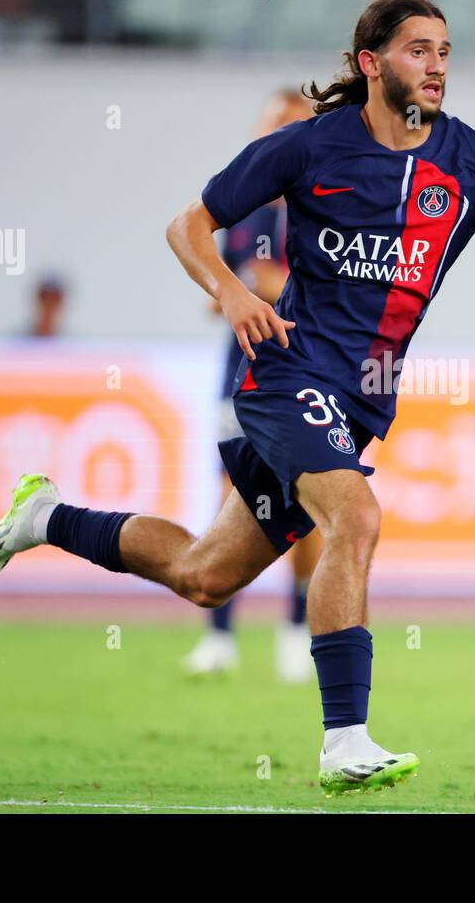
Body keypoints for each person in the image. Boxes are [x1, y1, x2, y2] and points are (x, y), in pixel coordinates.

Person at [0, 0, 475, 795]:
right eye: (419, 50)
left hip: (363, 401)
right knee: (359, 516)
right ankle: (345, 740)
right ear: (372, 64)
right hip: (287, 376)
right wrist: (235, 294)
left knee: (206, 574)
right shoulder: (307, 148)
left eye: (445, 50)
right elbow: (188, 226)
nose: (437, 65)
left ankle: (44, 515)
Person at [182, 88, 321, 683]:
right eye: (271, 123)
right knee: (227, 493)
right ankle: (220, 636)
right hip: (239, 369)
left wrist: (262, 286)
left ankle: (295, 628)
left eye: (289, 125)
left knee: (312, 501)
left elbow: (301, 290)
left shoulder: (327, 205)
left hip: (303, 370)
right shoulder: (241, 207)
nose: (277, 136)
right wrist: (235, 293)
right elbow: (227, 285)